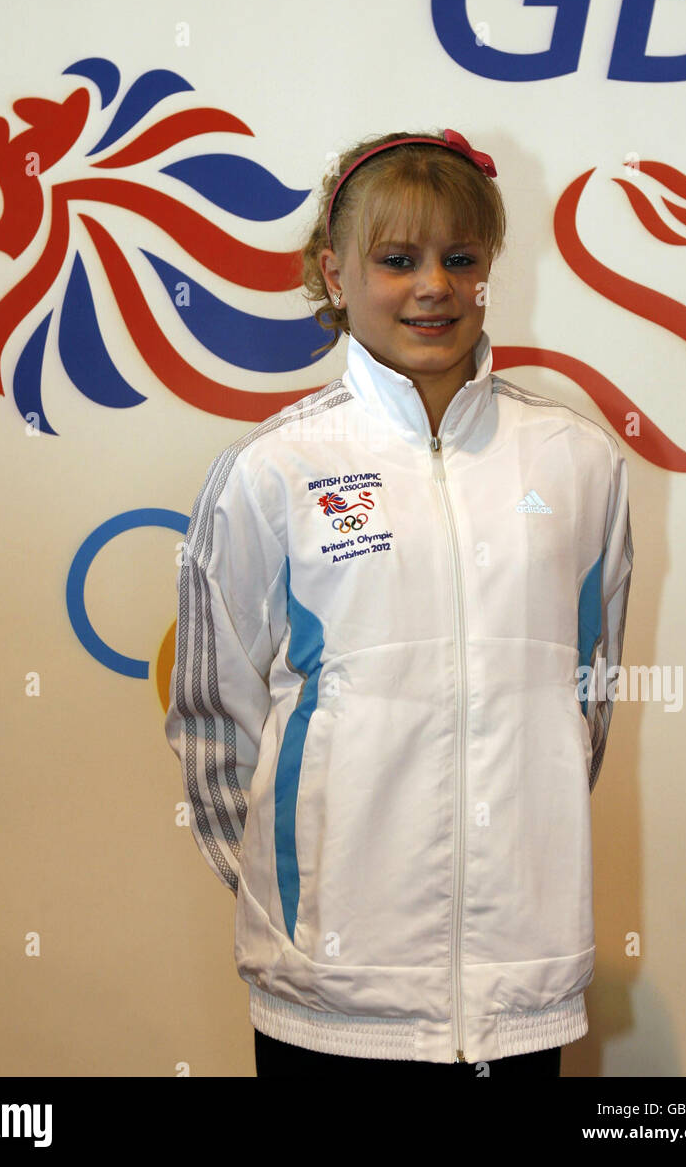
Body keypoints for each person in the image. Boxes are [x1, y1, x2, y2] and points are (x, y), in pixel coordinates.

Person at [166, 128, 634, 1078]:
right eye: (398, 259)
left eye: (460, 259)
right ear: (334, 273)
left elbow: (579, 704)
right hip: (329, 1003)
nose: (434, 286)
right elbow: (216, 724)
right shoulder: (272, 471)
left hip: (521, 996)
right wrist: (293, 908)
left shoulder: (577, 463)